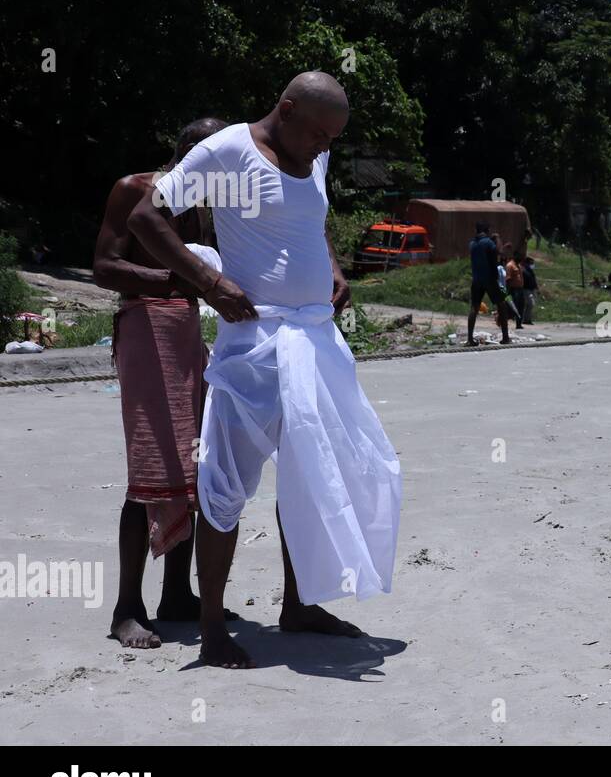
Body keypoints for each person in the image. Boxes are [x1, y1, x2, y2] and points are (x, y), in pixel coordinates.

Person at [126, 71, 402, 668]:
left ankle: (298, 604)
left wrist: (331, 266)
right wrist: (208, 281)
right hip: (254, 346)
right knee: (224, 485)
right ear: (286, 109)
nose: (325, 146)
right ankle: (211, 626)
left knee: (315, 470)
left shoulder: (315, 156)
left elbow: (310, 221)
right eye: (320, 133)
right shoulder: (226, 150)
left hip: (317, 342)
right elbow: (146, 218)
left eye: (334, 137)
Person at [93, 117, 227, 649]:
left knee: (191, 465)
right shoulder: (135, 190)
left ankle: (177, 595)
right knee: (150, 466)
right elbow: (104, 266)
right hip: (145, 326)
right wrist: (177, 278)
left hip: (187, 330)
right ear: (183, 152)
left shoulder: (205, 208)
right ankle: (127, 607)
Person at [467, 223, 510, 345]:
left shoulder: (472, 244)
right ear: (487, 231)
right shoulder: (488, 242)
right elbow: (500, 252)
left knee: (474, 307)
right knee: (501, 305)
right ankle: (505, 337)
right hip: (490, 279)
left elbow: (484, 251)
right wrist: (498, 239)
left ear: (476, 230)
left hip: (476, 280)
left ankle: (470, 339)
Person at [505, 246, 527, 330]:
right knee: (512, 307)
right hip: (513, 290)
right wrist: (507, 291)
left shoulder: (519, 266)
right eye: (519, 257)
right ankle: (504, 322)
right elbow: (508, 279)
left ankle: (518, 323)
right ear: (515, 256)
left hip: (520, 289)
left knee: (521, 306)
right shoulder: (510, 265)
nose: (521, 258)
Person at [522, 255, 538, 324]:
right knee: (529, 304)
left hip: (531, 289)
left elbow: (533, 280)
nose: (532, 265)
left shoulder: (530, 271)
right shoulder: (524, 270)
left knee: (531, 305)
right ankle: (525, 319)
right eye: (531, 263)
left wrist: (536, 287)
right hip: (526, 289)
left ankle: (527, 319)